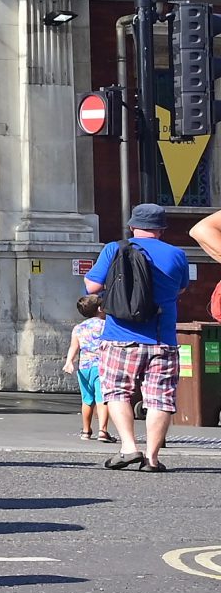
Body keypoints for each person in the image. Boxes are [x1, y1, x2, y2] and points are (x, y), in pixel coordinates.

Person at [87, 202, 193, 471]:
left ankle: (128, 448)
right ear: (162, 229)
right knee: (160, 397)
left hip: (118, 336)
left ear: (132, 226)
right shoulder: (177, 254)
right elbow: (181, 289)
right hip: (162, 338)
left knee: (117, 392)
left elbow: (92, 286)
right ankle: (153, 458)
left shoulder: (114, 249)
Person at [64, 294, 109, 444]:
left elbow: (74, 347)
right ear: (100, 308)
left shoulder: (78, 328)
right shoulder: (105, 325)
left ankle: (86, 430)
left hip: (83, 367)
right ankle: (103, 431)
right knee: (102, 399)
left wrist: (69, 361)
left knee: (87, 400)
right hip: (100, 366)